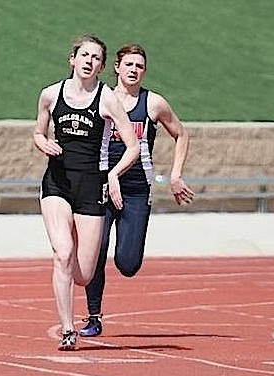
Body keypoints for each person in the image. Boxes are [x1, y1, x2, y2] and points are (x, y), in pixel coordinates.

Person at [33, 35, 141, 350]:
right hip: (57, 184)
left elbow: (133, 146)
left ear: (102, 66)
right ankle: (68, 329)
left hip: (92, 188)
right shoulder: (51, 95)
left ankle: (78, 246)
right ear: (73, 59)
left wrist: (114, 174)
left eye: (95, 58)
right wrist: (45, 143)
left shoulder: (108, 100)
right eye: (84, 55)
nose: (89, 61)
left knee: (82, 274)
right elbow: (38, 131)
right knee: (62, 254)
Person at [79, 43, 194, 337]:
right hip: (100, 187)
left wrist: (176, 175)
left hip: (135, 191)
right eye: (128, 64)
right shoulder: (100, 98)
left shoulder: (152, 103)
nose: (133, 70)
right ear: (116, 67)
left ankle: (122, 262)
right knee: (94, 254)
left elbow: (181, 134)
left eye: (139, 66)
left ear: (144, 72)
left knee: (128, 264)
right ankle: (93, 317)